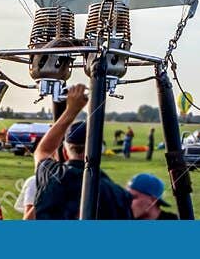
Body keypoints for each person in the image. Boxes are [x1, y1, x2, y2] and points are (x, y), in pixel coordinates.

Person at [32, 84, 131, 220]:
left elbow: (43, 150)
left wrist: (72, 110)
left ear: (66, 152)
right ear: (99, 150)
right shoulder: (117, 193)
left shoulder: (51, 174)